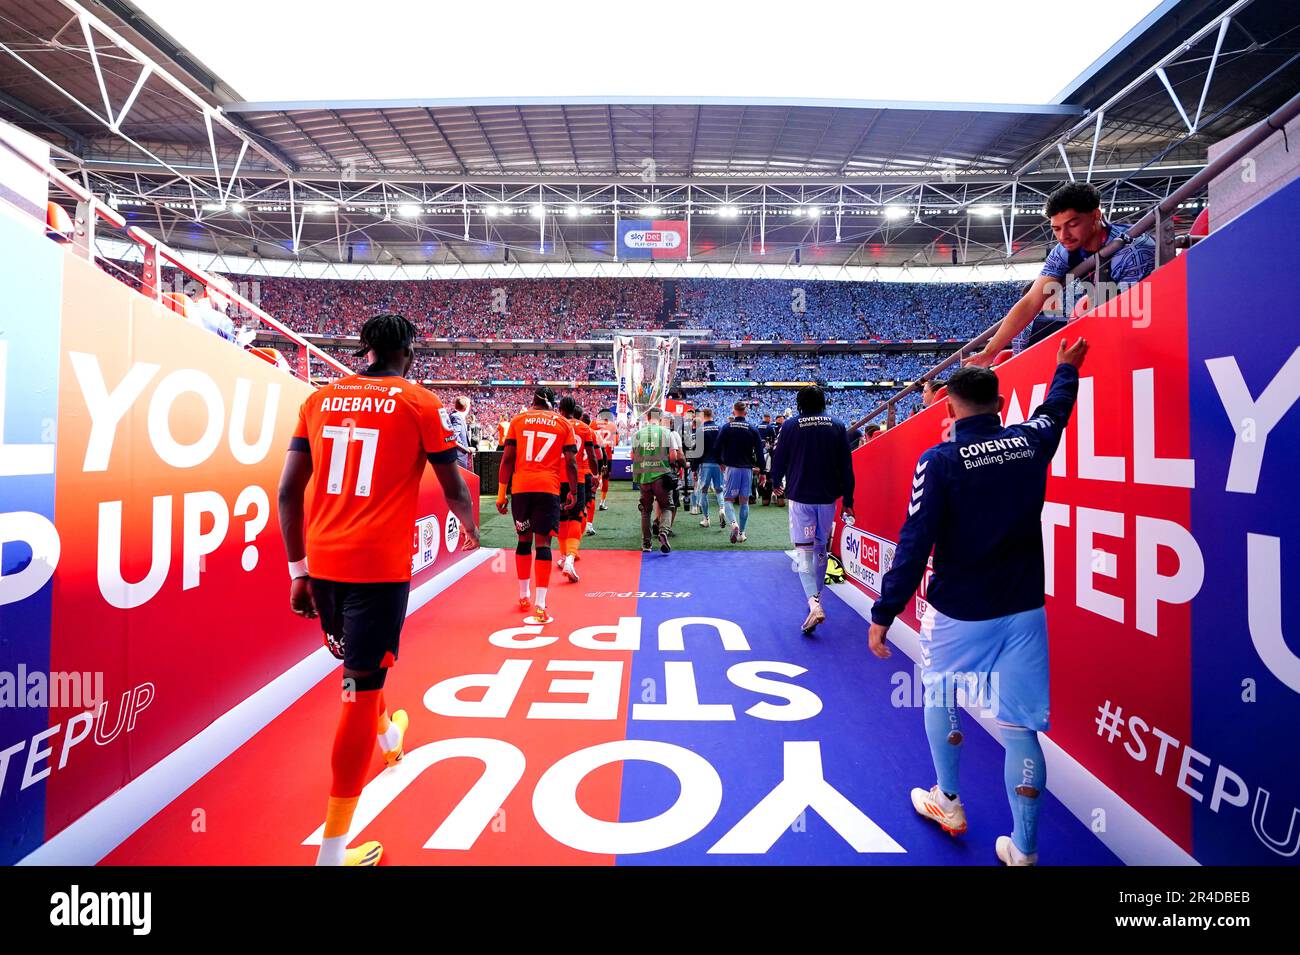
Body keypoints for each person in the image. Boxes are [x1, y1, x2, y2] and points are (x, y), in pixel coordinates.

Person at [868, 337, 1090, 867]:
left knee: (942, 695)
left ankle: (948, 801)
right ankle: (1025, 848)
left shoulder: (939, 460)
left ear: (948, 406)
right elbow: (1055, 411)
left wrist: (883, 613)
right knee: (1020, 728)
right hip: (1024, 608)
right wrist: (1065, 368)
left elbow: (916, 539)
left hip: (959, 609)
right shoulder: (1029, 442)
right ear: (999, 400)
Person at [278, 313, 479, 867]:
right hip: (377, 569)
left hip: (323, 564)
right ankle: (332, 853)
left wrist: (297, 569)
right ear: (410, 351)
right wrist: (470, 524)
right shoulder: (420, 403)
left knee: (363, 668)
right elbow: (453, 483)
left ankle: (390, 743)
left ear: (363, 347)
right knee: (359, 688)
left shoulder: (319, 398)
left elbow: (288, 492)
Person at [969, 182, 1153, 366]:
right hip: (1109, 317)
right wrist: (989, 352)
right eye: (1056, 228)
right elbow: (1032, 300)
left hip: (1146, 326)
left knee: (1082, 309)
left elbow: (1134, 316)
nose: (1063, 235)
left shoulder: (1133, 251)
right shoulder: (1064, 250)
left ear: (1096, 215)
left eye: (1072, 224)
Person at [768, 386, 856, 634]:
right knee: (820, 552)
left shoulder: (790, 425)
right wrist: (848, 498)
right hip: (828, 499)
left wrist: (775, 481)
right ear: (823, 402)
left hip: (800, 497)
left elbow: (780, 458)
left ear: (799, 404)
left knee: (805, 554)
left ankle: (813, 603)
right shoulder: (838, 425)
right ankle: (816, 600)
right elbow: (846, 466)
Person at [497, 387, 578, 624]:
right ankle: (541, 605)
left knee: (523, 540)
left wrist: (502, 495)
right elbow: (571, 463)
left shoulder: (518, 420)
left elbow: (507, 459)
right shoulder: (563, 424)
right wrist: (572, 491)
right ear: (552, 403)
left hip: (521, 489)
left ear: (532, 401)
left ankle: (524, 596)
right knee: (543, 544)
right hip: (548, 489)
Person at [555, 397, 600, 580]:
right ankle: (570, 558)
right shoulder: (584, 428)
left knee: (561, 518)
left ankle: (564, 555)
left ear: (560, 408)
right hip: (578, 477)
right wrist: (596, 475)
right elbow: (592, 455)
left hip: (557, 477)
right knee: (576, 517)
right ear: (576, 410)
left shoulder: (556, 424)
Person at [631, 408, 679, 553]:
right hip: (661, 477)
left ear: (647, 417)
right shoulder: (666, 433)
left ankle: (646, 544)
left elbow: (633, 457)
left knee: (645, 511)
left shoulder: (638, 434)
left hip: (644, 477)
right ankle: (664, 532)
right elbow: (673, 456)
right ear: (660, 417)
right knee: (667, 507)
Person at [716, 400, 766, 543]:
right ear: (746, 412)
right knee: (744, 502)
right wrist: (762, 471)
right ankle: (742, 533)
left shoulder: (726, 427)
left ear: (734, 411)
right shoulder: (752, 428)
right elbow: (759, 452)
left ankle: (734, 524)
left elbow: (717, 447)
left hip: (732, 468)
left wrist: (720, 462)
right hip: (747, 470)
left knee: (728, 500)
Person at [694, 408, 725, 529]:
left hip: (705, 464)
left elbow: (697, 452)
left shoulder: (700, 430)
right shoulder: (720, 428)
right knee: (719, 489)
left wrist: (694, 468)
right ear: (712, 415)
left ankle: (706, 519)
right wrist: (722, 462)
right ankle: (722, 509)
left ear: (703, 416)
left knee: (704, 491)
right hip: (718, 464)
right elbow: (723, 447)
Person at [580, 412, 600, 534]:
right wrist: (597, 473)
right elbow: (598, 454)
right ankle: (589, 524)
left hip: (574, 470)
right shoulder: (591, 432)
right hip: (588, 470)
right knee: (591, 497)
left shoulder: (570, 428)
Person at [449, 396, 473, 469]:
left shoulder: (454, 415)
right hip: (458, 457)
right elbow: (452, 438)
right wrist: (466, 449)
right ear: (465, 407)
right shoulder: (457, 417)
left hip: (457, 455)